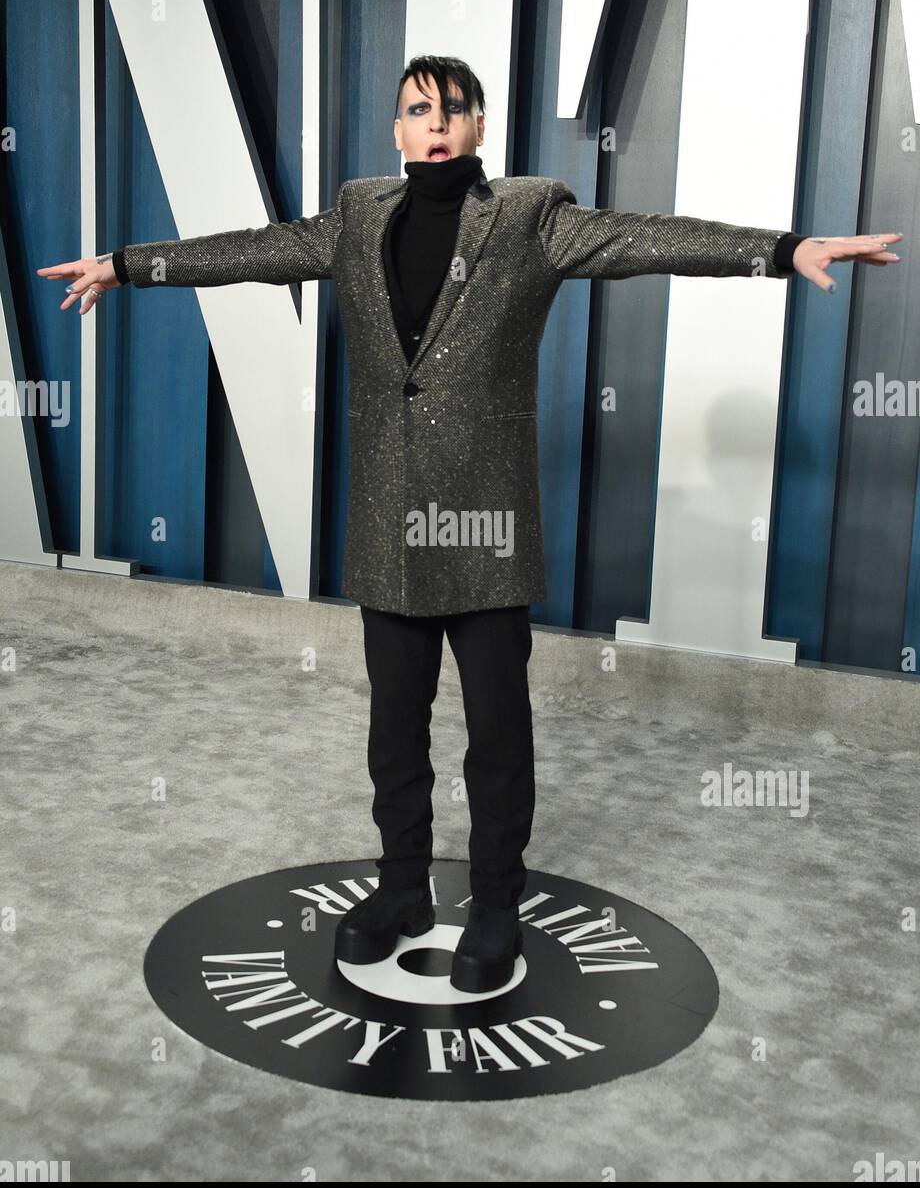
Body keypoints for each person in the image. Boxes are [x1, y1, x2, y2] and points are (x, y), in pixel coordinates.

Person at [38, 55, 902, 993]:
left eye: (454, 107)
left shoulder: (531, 217)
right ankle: (402, 888)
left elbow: (649, 237)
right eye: (418, 109)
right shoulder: (358, 214)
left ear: (479, 125)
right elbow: (255, 250)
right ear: (397, 132)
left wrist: (784, 249)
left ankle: (495, 907)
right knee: (393, 733)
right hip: (386, 524)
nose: (437, 122)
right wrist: (129, 266)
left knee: (497, 735)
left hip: (485, 531)